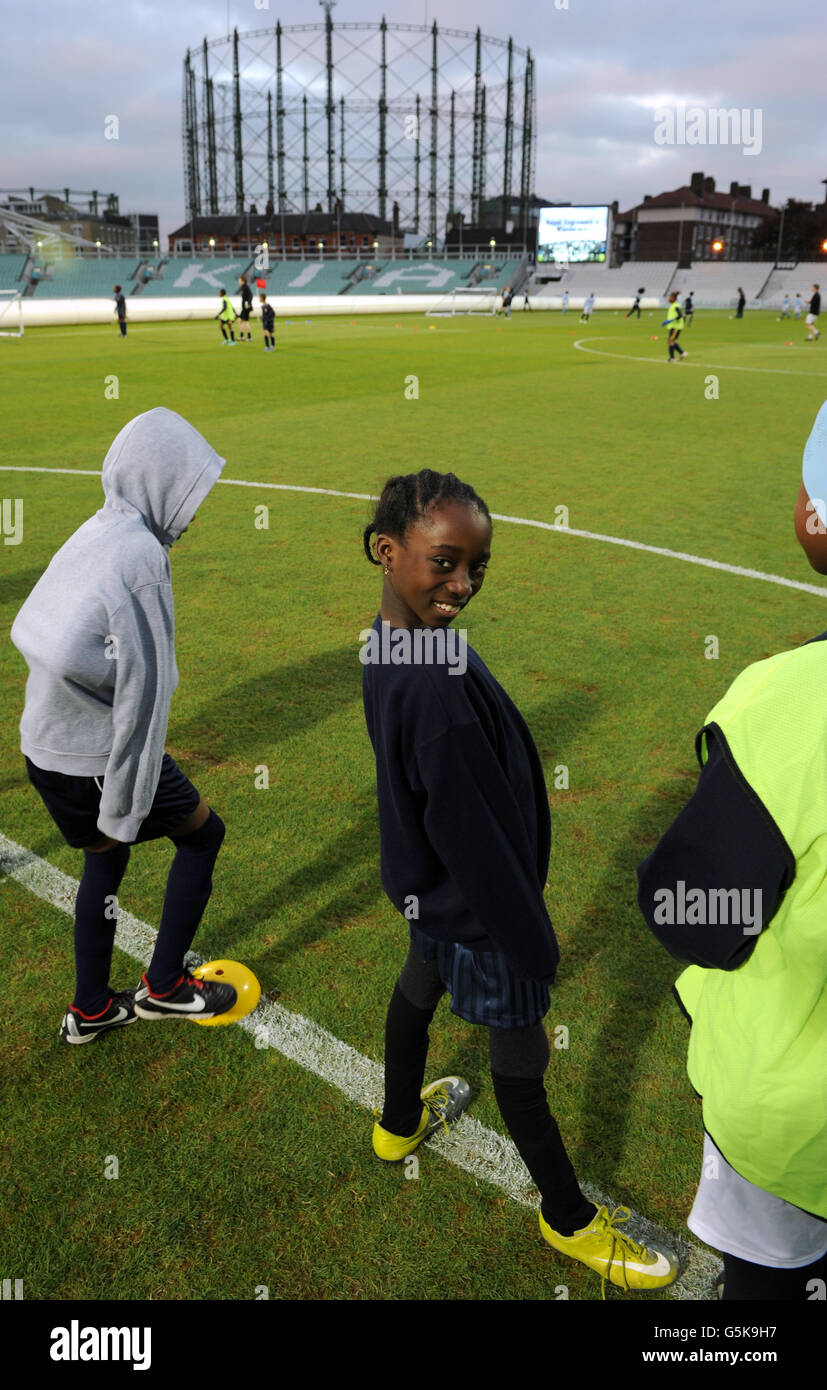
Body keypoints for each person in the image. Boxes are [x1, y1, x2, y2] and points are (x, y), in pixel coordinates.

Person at [360, 469, 679, 1296]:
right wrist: (532, 947)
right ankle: (568, 1218)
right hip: (479, 911)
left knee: (417, 983)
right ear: (387, 552)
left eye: (477, 569)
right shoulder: (432, 687)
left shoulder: (392, 638)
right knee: (520, 1057)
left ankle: (396, 1128)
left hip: (426, 889)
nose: (462, 586)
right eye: (443, 563)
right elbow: (475, 839)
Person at [637, 399, 827, 1299]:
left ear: (813, 516)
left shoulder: (787, 705)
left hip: (794, 1127)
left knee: (759, 1302)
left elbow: (689, 914)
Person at [10, 408, 237, 1042]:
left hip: (46, 749)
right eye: (188, 492)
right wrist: (127, 800)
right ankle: (164, 988)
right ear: (158, 481)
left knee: (103, 864)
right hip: (96, 758)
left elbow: (35, 625)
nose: (191, 513)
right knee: (203, 836)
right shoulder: (140, 558)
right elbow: (148, 692)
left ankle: (90, 1009)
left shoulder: (100, 526)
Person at [662, 291, 687, 361]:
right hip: (673, 326)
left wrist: (670, 320)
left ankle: (672, 358)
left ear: (674, 298)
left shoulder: (676, 305)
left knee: (671, 341)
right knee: (670, 341)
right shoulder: (673, 305)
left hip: (676, 327)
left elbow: (680, 315)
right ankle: (682, 353)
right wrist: (667, 322)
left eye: (670, 297)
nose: (669, 299)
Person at [237, 275, 254, 342]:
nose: (238, 281)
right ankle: (242, 336)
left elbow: (250, 295)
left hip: (246, 308)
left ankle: (249, 337)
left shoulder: (246, 287)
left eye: (239, 280)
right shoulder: (243, 287)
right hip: (244, 307)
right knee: (239, 320)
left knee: (245, 321)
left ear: (243, 281)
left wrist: (248, 304)